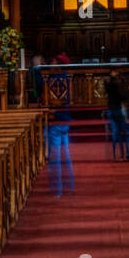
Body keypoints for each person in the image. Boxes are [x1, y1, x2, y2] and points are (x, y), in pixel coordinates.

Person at [46, 60, 74, 197]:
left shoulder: (49, 80)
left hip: (56, 120)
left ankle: (57, 189)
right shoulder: (67, 79)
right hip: (65, 120)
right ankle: (69, 185)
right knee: (65, 154)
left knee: (55, 157)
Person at [104, 70, 129, 160]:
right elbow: (123, 96)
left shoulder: (108, 83)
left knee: (115, 132)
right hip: (118, 109)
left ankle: (115, 154)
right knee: (124, 132)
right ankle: (126, 153)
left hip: (111, 109)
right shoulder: (117, 85)